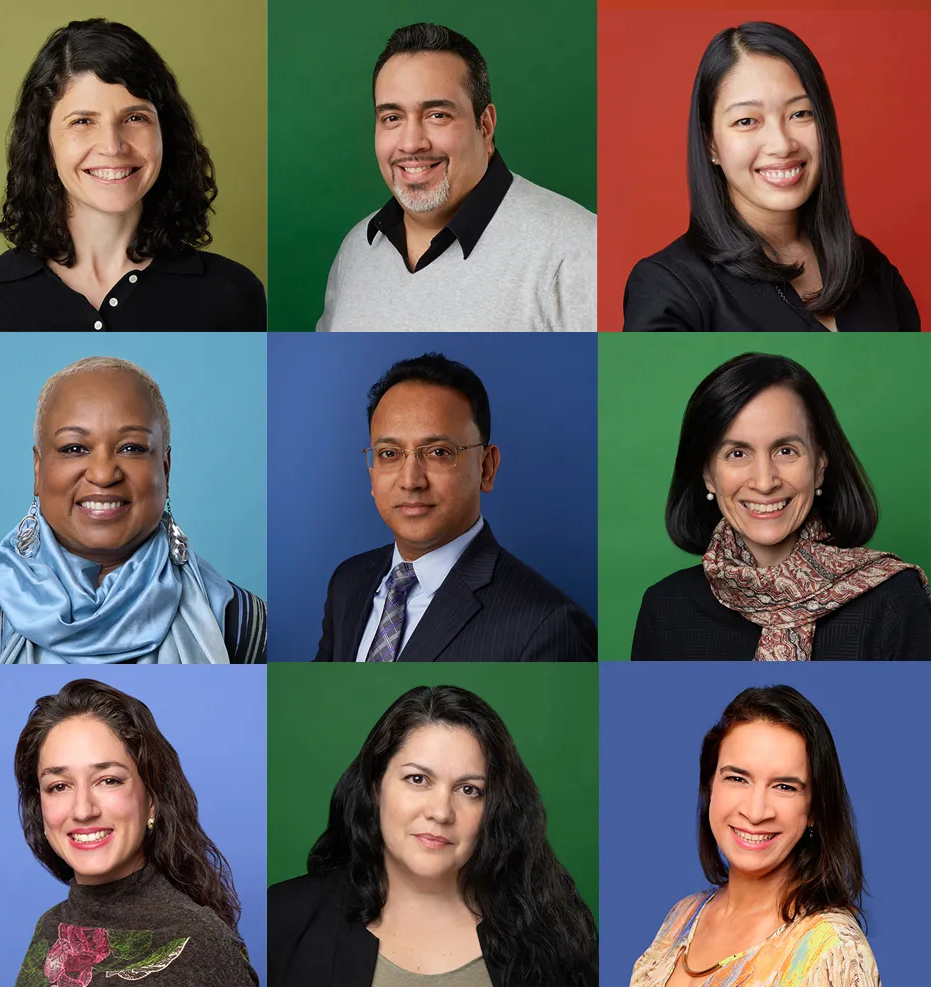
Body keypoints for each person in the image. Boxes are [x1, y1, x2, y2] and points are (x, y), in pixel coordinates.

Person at [0, 19, 265, 331]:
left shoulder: (233, 294)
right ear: (44, 140)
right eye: (82, 121)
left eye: (135, 118)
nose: (112, 146)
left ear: (166, 132)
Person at [0, 356, 266, 663]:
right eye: (75, 448)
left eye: (132, 448)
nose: (104, 474)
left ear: (165, 469)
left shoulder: (239, 618)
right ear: (38, 470)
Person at [269, 685, 597, 987]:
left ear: (494, 808)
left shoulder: (557, 932)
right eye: (417, 779)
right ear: (374, 786)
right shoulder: (284, 917)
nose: (441, 812)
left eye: (469, 790)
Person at [631, 353, 931, 660]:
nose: (764, 482)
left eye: (786, 450)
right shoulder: (665, 607)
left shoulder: (894, 598)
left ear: (820, 465)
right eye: (737, 453)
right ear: (708, 475)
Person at [624, 22, 918, 332]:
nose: (782, 145)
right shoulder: (669, 287)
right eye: (747, 120)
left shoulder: (871, 268)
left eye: (800, 114)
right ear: (710, 143)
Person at [315, 353, 595, 662]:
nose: (410, 481)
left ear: (486, 468)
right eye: (389, 454)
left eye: (438, 452)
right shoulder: (348, 581)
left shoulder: (549, 626)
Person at [316, 23, 595, 332]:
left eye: (438, 115)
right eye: (392, 118)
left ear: (485, 126)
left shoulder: (576, 248)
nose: (411, 143)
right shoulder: (356, 250)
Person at [8, 678, 258, 987]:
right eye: (59, 786)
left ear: (151, 800)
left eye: (109, 780)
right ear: (40, 808)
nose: (83, 810)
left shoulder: (203, 945)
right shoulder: (49, 927)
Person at [628, 686, 879, 987]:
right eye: (737, 779)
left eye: (785, 787)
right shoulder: (682, 915)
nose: (755, 811)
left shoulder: (832, 949)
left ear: (814, 808)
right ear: (710, 786)